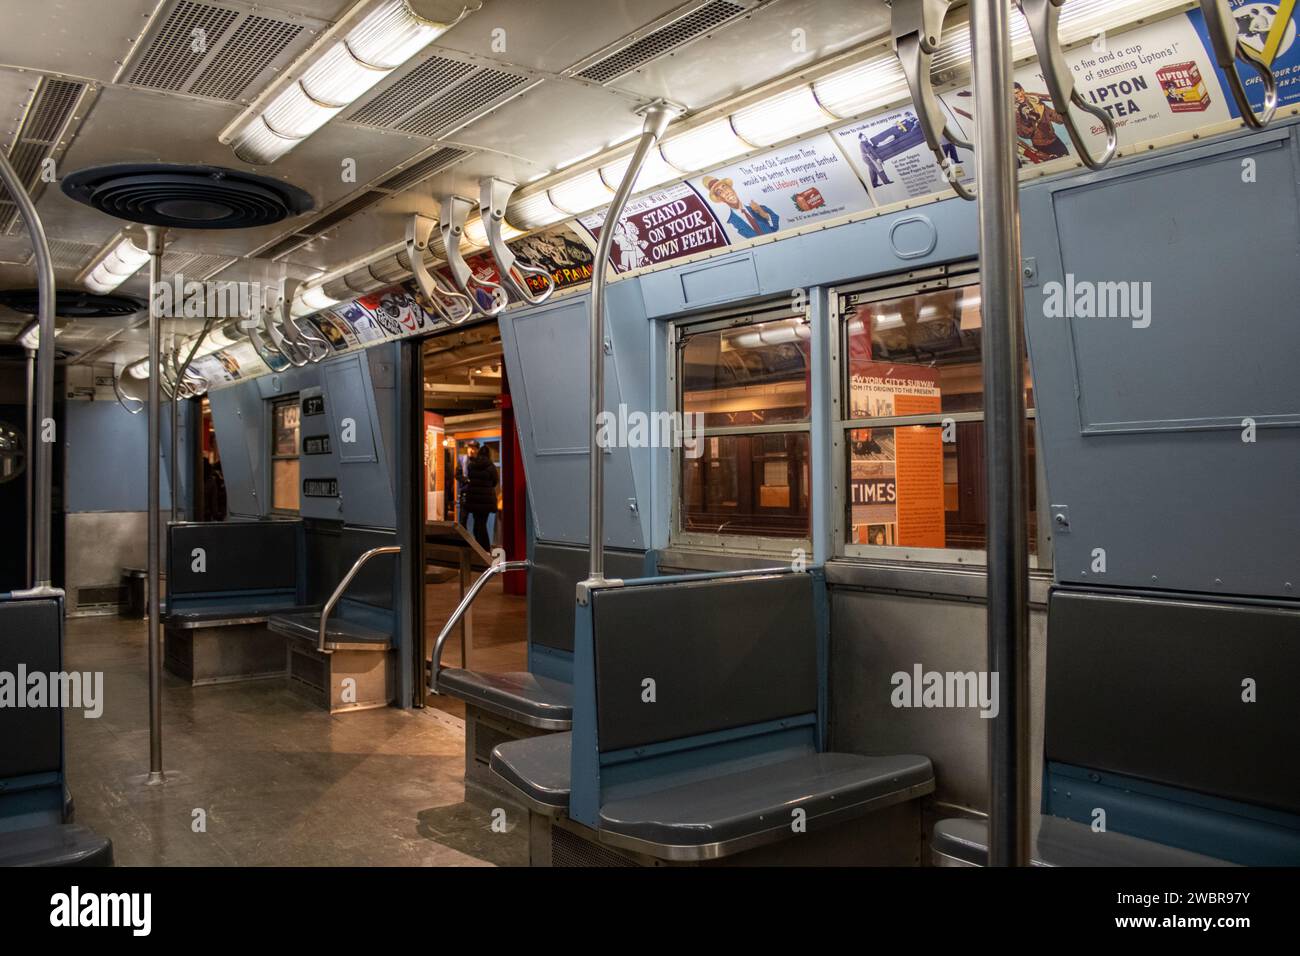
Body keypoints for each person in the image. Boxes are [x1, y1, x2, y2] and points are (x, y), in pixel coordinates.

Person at [702, 176, 779, 239]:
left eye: (725, 187)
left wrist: (763, 213)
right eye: (720, 192)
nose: (726, 192)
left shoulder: (757, 207)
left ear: (731, 188)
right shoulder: (731, 223)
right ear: (720, 199)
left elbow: (775, 227)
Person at [465, 443, 499, 554]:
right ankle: (485, 549)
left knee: (477, 524)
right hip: (485, 501)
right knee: (482, 524)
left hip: (474, 500)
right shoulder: (491, 467)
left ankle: (478, 548)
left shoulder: (472, 465)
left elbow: (470, 478)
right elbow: (495, 482)